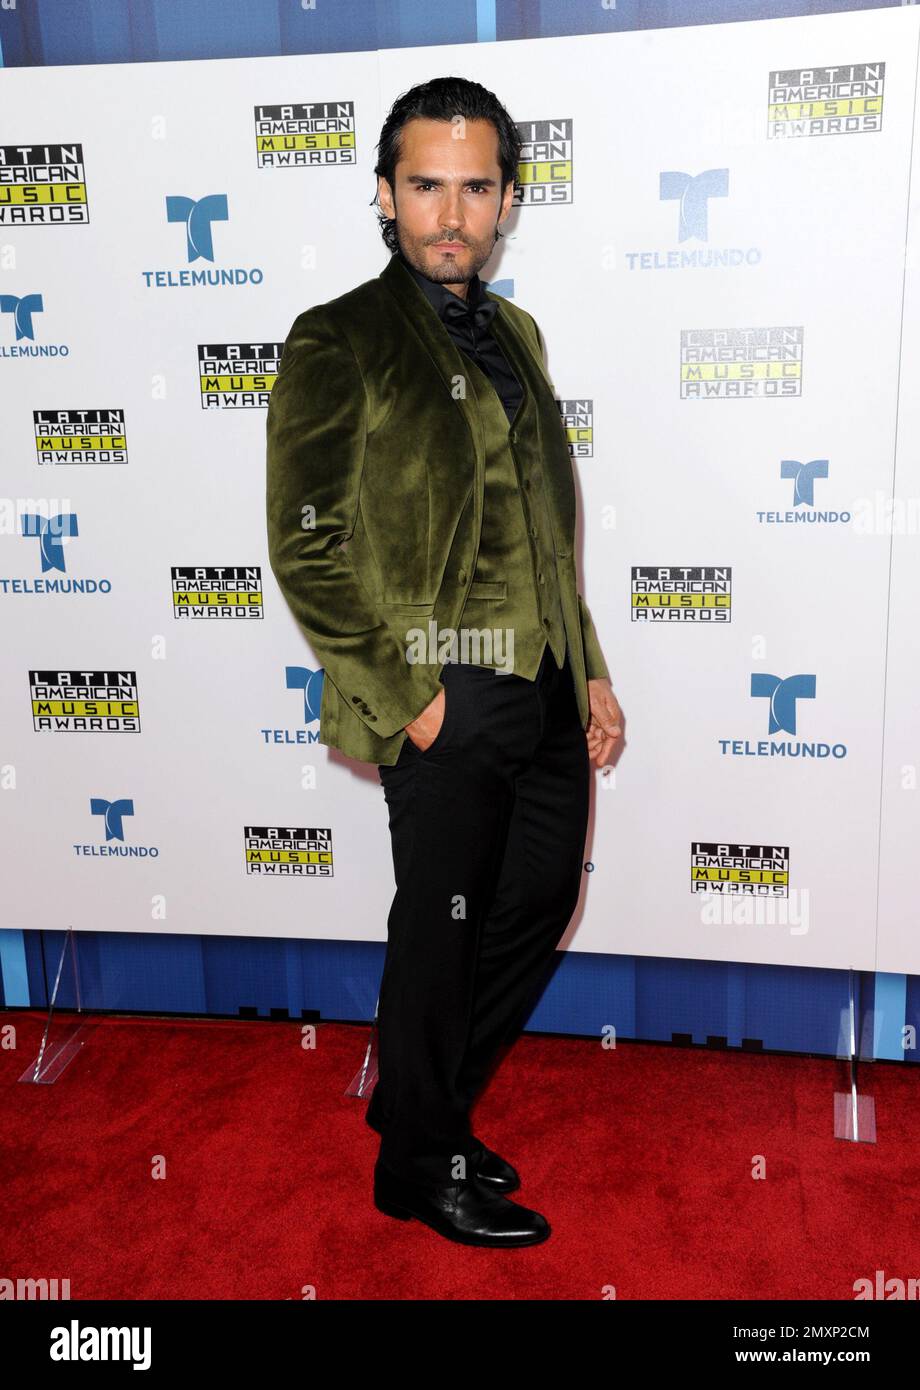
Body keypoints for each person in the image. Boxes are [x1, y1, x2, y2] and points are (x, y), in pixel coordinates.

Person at [266, 76, 623, 1247]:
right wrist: (411, 702)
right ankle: (417, 1164)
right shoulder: (338, 336)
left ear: (508, 200)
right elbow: (306, 544)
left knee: (535, 901)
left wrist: (591, 671)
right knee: (441, 926)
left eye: (475, 188)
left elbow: (541, 518)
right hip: (440, 693)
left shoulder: (516, 332)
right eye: (425, 186)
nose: (449, 213)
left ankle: (424, 1114)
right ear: (383, 193)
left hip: (541, 683)